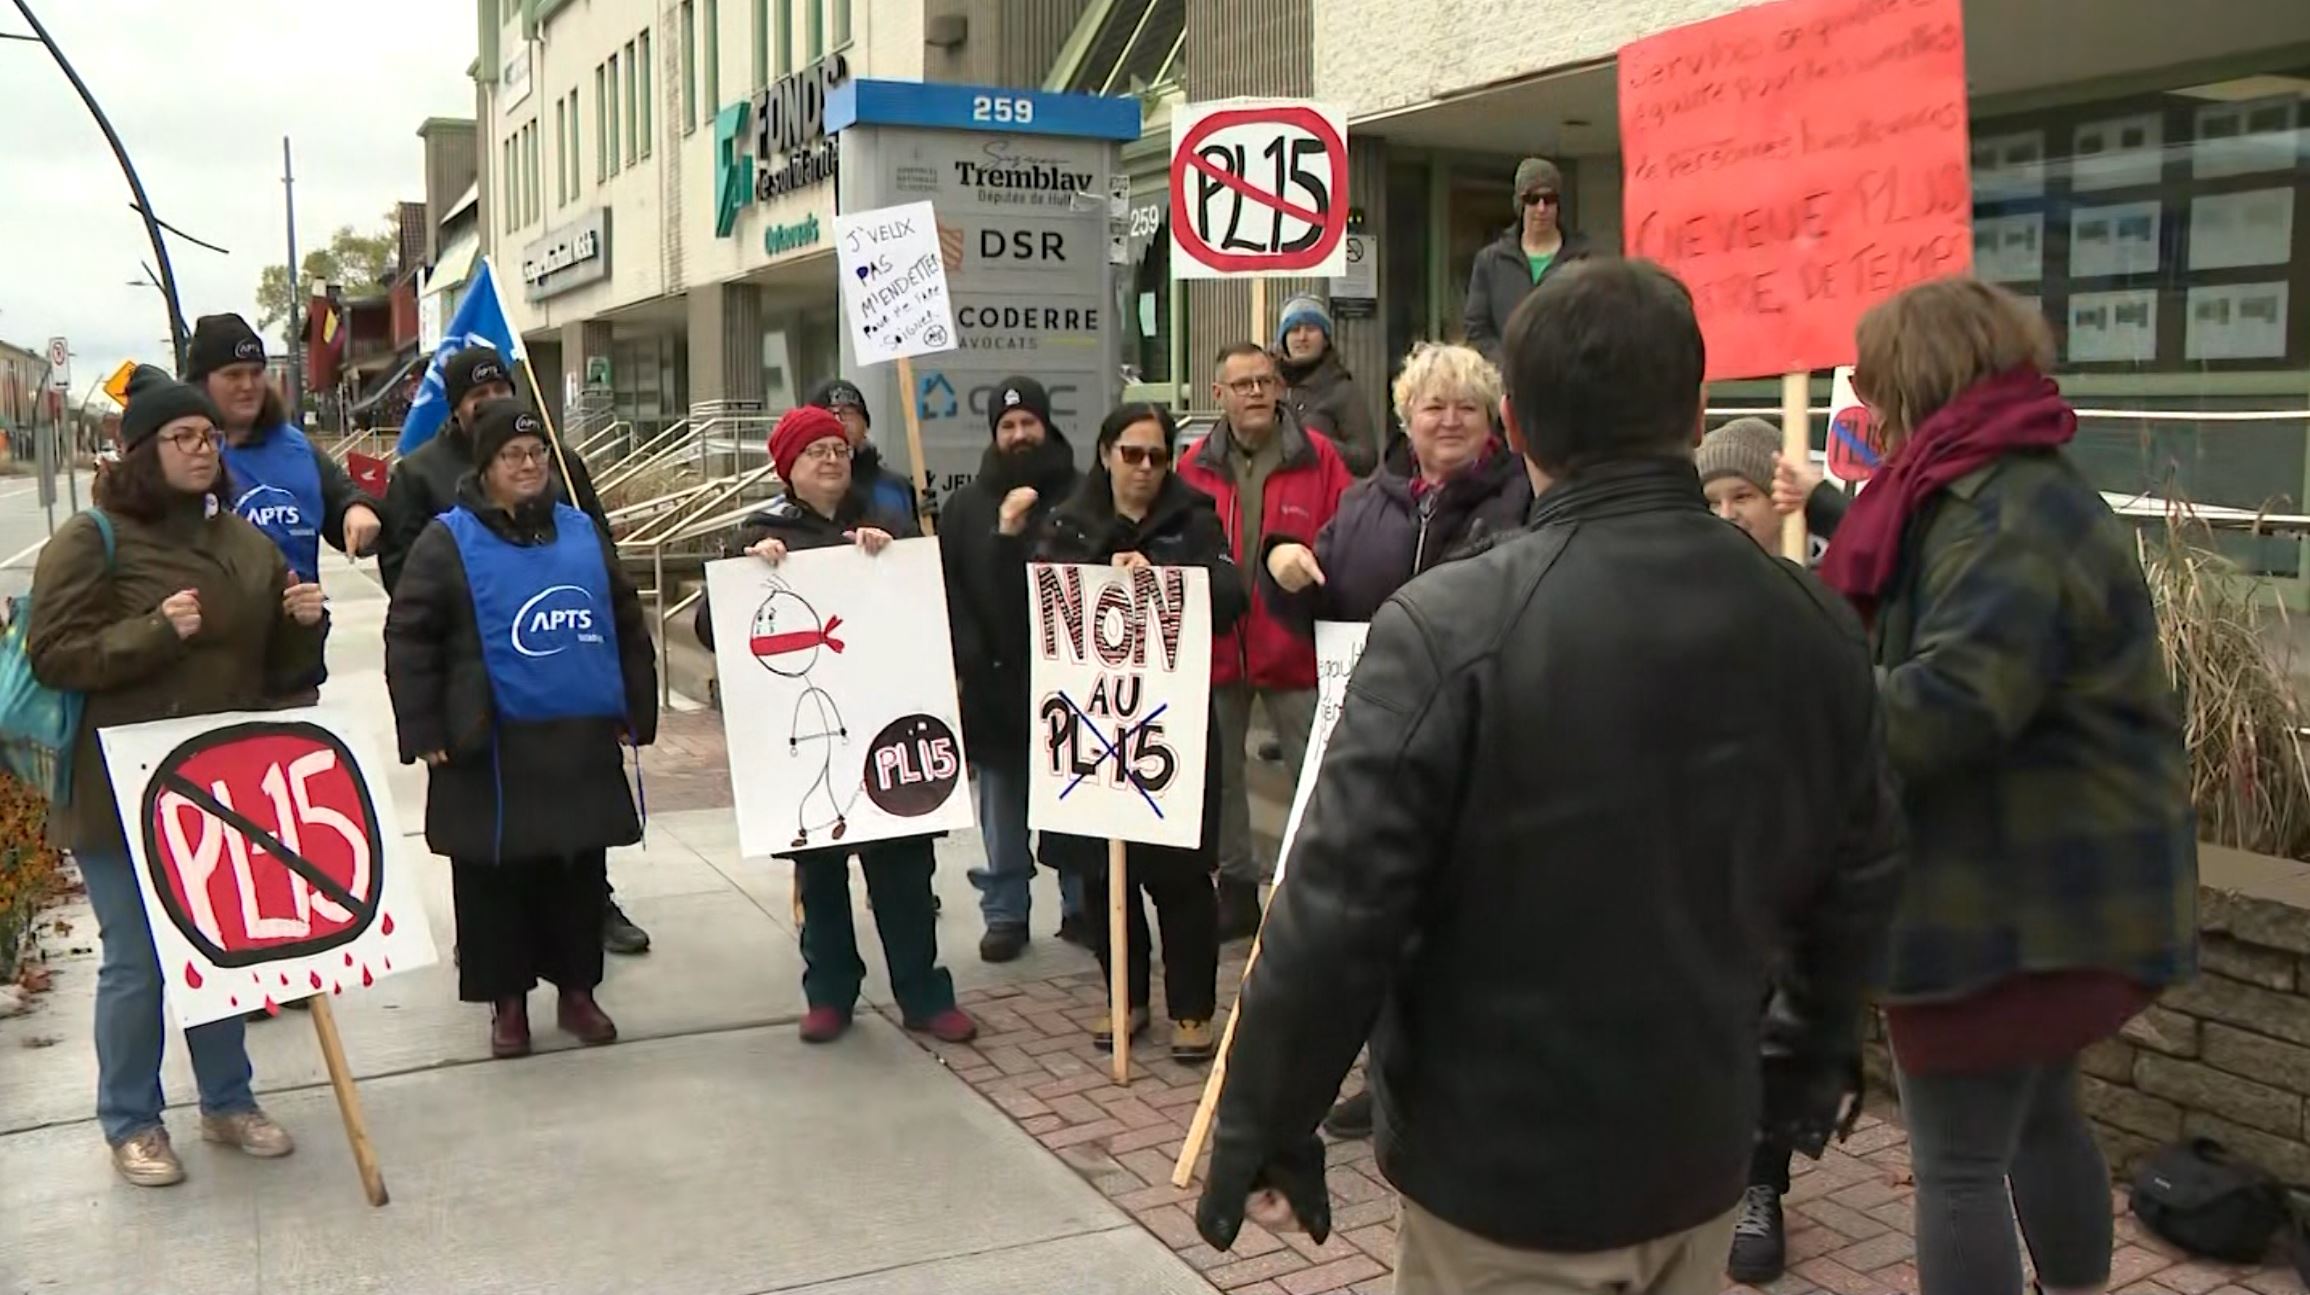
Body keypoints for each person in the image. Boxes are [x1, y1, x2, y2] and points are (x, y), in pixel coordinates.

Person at [1194, 259, 1905, 1295]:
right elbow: (1862, 873)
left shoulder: (1448, 627)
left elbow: (1339, 905)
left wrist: (1265, 1117)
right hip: (1689, 1148)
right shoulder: (1812, 623)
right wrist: (1806, 1054)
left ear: (1512, 423)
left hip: (1503, 1177)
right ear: (1696, 409)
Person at [1810, 278, 2196, 1295]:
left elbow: (1950, 707)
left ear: (1926, 378)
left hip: (1994, 902)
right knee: (2041, 1117)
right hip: (2055, 891)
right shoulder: (2007, 481)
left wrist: (1801, 689)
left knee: (1959, 1161)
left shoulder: (1998, 511)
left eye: (1880, 385)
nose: (1871, 409)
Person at [26, 366, 327, 1186]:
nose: (202, 449)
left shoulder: (238, 539)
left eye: (208, 437)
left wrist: (307, 625)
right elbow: (51, 655)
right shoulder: (94, 539)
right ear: (139, 453)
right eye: (182, 437)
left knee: (221, 952)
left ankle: (228, 1101)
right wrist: (155, 633)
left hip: (215, 787)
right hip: (117, 788)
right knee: (140, 961)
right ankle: (131, 1118)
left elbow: (273, 667)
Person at [1257, 340, 1530, 1141]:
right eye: (1433, 405)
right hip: (1383, 736)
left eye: (1466, 406)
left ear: (1493, 421)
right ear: (1406, 415)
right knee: (1385, 912)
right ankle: (1388, 1076)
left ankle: (1465, 1082)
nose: (1449, 420)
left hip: (1484, 741)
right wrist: (1284, 566)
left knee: (1468, 921)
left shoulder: (1520, 499)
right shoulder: (1368, 502)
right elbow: (1320, 600)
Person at [382, 400, 658, 1059]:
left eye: (537, 452)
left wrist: (634, 706)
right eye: (513, 454)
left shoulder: (582, 532)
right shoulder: (446, 541)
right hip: (490, 743)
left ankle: (577, 993)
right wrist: (423, 727)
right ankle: (507, 1006)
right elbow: (410, 637)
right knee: (494, 886)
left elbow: (624, 622)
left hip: (577, 741)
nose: (529, 463)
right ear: (486, 466)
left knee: (576, 875)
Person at [721, 405, 979, 1047]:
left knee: (905, 880)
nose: (832, 458)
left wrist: (892, 563)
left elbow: (930, 615)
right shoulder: (756, 535)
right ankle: (831, 992)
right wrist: (752, 576)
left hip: (883, 738)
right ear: (788, 468)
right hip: (810, 744)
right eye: (816, 451)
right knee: (823, 881)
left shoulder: (887, 523)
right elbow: (716, 628)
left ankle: (922, 992)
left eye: (839, 447)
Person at [1027, 403, 1245, 1062]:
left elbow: (1233, 596)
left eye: (1157, 455)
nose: (1146, 468)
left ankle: (1191, 1008)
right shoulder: (1069, 521)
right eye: (1133, 454)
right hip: (1095, 726)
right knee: (1103, 876)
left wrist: (1170, 580)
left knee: (1179, 879)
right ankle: (1126, 998)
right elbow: (1039, 596)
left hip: (1168, 725)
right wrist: (1101, 563)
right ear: (1105, 454)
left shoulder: (1196, 519)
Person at [1693, 414, 1841, 1283]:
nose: (1727, 513)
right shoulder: (1682, 595)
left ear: (1782, 502)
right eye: (1711, 498)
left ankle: (1762, 1184)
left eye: (1743, 495)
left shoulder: (1821, 598)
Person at [1174, 342, 1352, 939]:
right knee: (1221, 778)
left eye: (1264, 382)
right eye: (1241, 383)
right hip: (1220, 644)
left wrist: (1313, 564)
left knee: (1316, 772)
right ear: (1218, 395)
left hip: (1293, 643)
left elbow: (1347, 531)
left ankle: (1313, 885)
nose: (1255, 392)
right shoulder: (1194, 465)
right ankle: (1239, 888)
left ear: (1280, 389)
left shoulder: (1319, 457)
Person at [935, 376, 1089, 961]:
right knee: (1002, 806)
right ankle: (1005, 912)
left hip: (1068, 682)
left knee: (1076, 801)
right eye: (1008, 426)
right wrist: (969, 656)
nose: (1020, 434)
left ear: (1046, 426)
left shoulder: (1081, 494)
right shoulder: (967, 506)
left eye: (1029, 423)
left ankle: (1082, 904)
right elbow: (951, 589)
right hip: (997, 683)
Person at [184, 313, 381, 703]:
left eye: (256, 372)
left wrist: (358, 511)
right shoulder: (184, 450)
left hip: (293, 666)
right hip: (208, 670)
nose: (248, 385)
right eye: (233, 374)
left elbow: (342, 497)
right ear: (203, 382)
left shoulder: (294, 446)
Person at [1461, 157, 1592, 364]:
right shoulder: (1490, 261)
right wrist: (1509, 366)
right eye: (1532, 199)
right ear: (1520, 203)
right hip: (1507, 382)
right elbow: (1477, 329)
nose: (1541, 208)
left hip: (1566, 380)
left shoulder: (1584, 260)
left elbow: (1596, 326)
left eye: (1549, 199)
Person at [1273, 296, 1379, 477]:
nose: (1302, 337)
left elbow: (1366, 459)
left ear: (1326, 338)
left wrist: (1316, 444)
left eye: (1311, 329)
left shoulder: (1342, 389)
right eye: (1294, 330)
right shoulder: (1269, 386)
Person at [808, 378, 917, 525]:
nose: (839, 421)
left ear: (865, 424)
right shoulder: (799, 490)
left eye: (848, 412)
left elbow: (913, 542)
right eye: (829, 413)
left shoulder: (896, 488)